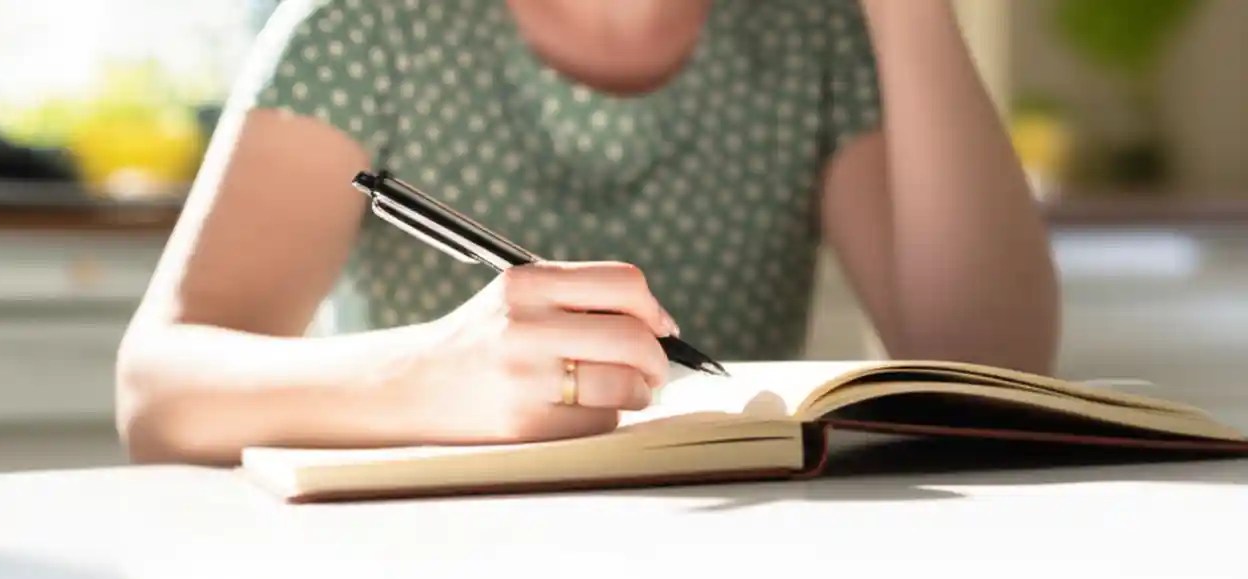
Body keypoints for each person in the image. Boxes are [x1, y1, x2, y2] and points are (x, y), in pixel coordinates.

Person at [116, 0, 1060, 465]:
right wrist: (427, 376)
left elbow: (989, 369)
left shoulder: (809, 32)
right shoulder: (366, 24)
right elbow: (158, 391)